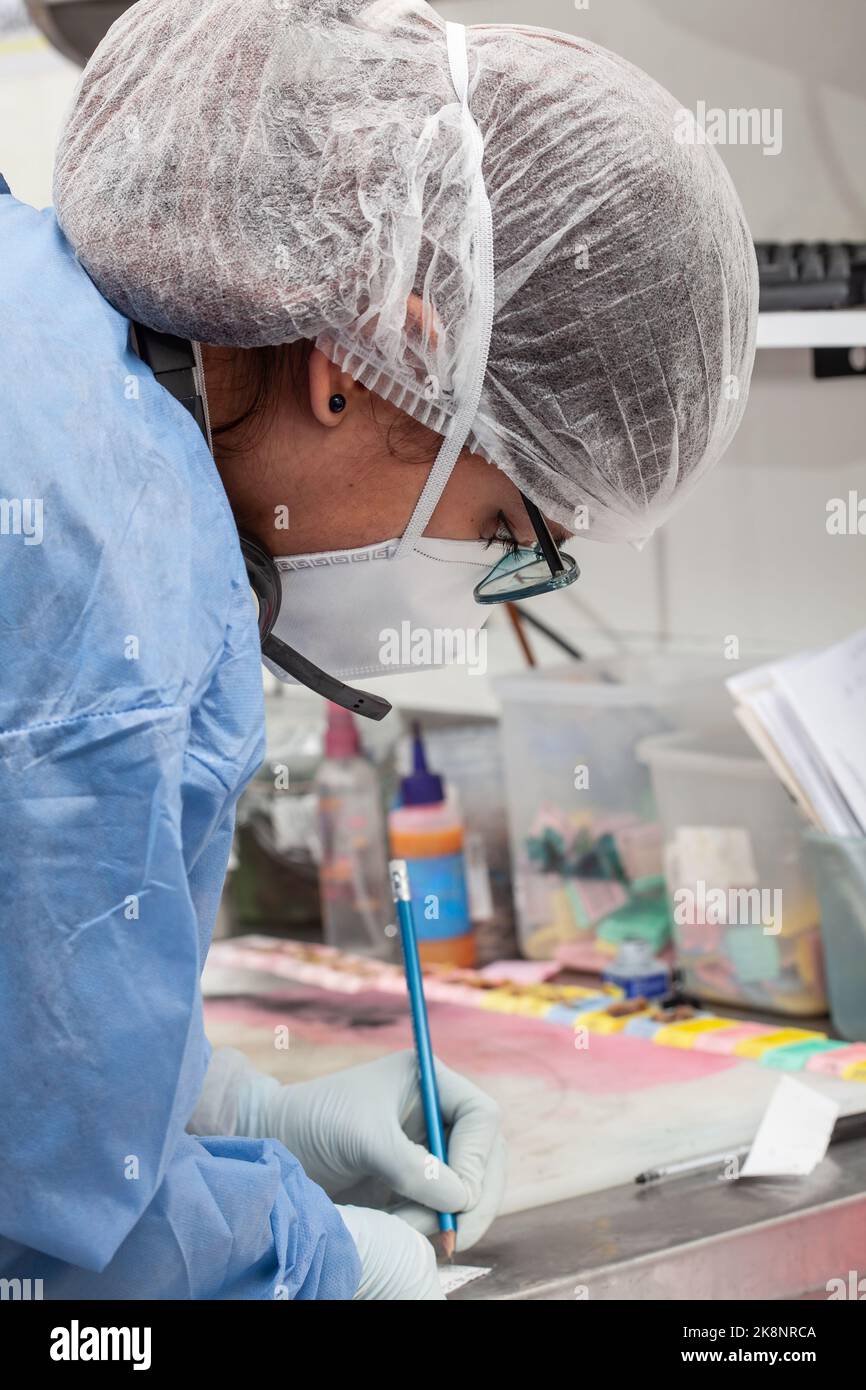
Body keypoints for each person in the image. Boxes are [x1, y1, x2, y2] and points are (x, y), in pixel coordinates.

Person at [0, 0, 757, 1300]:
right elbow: (54, 1270)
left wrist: (221, 1102)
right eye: (508, 530)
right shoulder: (107, 590)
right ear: (363, 364)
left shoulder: (46, 352)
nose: (481, 588)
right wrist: (307, 1265)